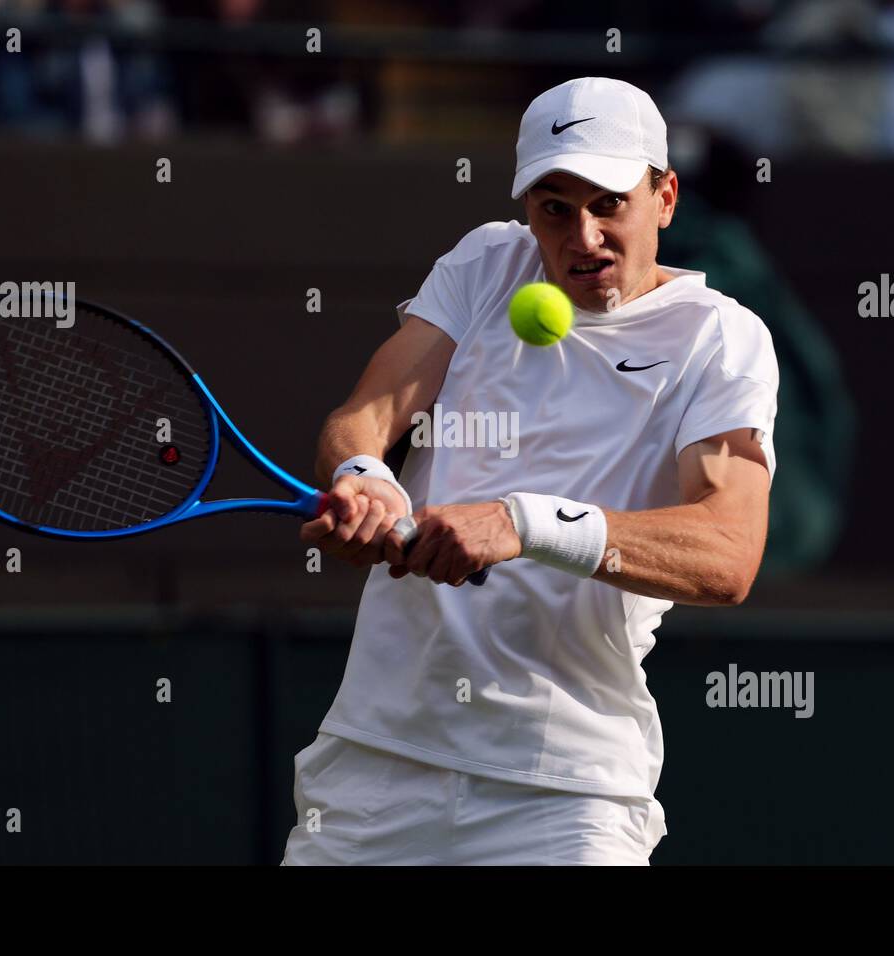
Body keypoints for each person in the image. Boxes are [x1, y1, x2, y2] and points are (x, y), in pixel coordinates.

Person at [282, 77, 779, 865]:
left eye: (609, 202)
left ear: (666, 197)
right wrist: (365, 476)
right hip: (376, 768)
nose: (583, 236)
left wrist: (523, 523)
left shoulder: (721, 340)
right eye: (554, 208)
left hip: (564, 792)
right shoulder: (486, 263)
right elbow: (367, 414)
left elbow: (728, 551)